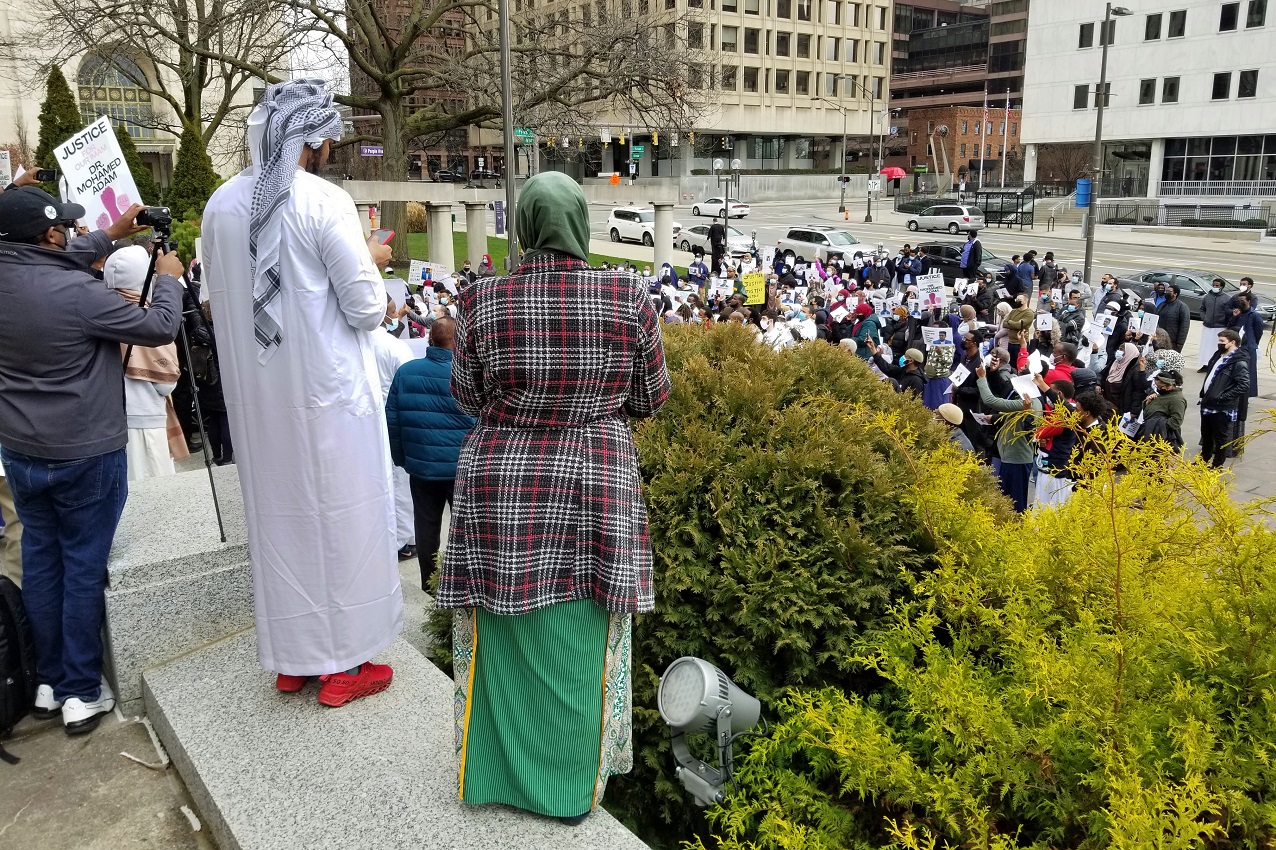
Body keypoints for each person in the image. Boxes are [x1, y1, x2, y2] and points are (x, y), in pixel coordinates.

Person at [442, 171, 671, 824]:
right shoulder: (627, 293)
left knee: (502, 642)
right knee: (582, 640)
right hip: (593, 488)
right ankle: (570, 793)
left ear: (525, 226)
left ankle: (496, 776)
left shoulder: (483, 298)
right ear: (579, 223)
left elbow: (465, 396)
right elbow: (651, 397)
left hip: (501, 493)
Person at [201, 79, 401, 707]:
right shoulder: (322, 202)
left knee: (281, 522)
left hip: (260, 403)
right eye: (327, 143)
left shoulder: (219, 207)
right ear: (308, 140)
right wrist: (371, 257)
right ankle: (346, 662)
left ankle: (294, 658)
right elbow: (366, 307)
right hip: (329, 397)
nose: (330, 153)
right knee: (343, 522)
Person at [0, 186, 182, 733]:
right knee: (82, 566)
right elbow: (159, 327)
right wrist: (168, 276)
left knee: (42, 560)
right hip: (85, 451)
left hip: (22, 451)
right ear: (50, 234)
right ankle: (82, 689)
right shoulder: (81, 294)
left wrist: (112, 233)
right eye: (70, 230)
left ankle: (49, 682)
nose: (78, 236)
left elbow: (42, 269)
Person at [104, 245, 187, 482]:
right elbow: (166, 384)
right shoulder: (144, 318)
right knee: (155, 497)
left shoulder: (104, 310)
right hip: (145, 421)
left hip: (112, 421)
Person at [975, 360, 1042, 512]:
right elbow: (1012, 415)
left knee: (1014, 503)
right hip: (1012, 458)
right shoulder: (1026, 403)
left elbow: (990, 400)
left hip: (1016, 461)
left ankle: (1015, 531)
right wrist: (993, 418)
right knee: (1007, 499)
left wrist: (982, 378)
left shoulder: (1027, 403)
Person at [1199, 329, 1250, 468]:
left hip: (1221, 407)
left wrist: (1223, 397)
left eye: (1222, 341)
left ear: (1232, 342)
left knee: (1220, 438)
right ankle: (1203, 460)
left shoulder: (1238, 362)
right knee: (1206, 435)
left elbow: (1244, 385)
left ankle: (1217, 465)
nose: (1219, 344)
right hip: (1208, 402)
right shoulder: (1219, 355)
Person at [1227, 292, 1263, 430]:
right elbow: (1230, 327)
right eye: (1238, 300)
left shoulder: (1254, 315)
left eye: (1242, 300)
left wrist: (1252, 343)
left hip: (1248, 347)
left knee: (1248, 373)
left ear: (1248, 301)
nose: (1239, 302)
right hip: (1237, 346)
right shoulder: (1238, 313)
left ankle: (1246, 396)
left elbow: (1258, 331)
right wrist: (1233, 317)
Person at [1138, 369, 1186, 451]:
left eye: (1160, 387)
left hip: (1162, 439)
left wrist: (1156, 425)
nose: (1158, 389)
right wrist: (1148, 402)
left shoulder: (1177, 400)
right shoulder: (1163, 395)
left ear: (1169, 385)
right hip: (1150, 434)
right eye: (1157, 386)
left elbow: (1176, 421)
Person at [1198, 278, 1233, 372]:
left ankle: (1215, 365)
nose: (1215, 287)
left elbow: (1229, 312)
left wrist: (1225, 321)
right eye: (1214, 285)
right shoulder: (1207, 297)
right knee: (1205, 347)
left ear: (1221, 287)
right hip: (1207, 326)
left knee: (1216, 346)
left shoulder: (1227, 298)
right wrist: (1204, 318)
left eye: (1217, 285)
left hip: (1220, 327)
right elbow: (1202, 309)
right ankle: (1205, 364)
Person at [1155, 284, 1191, 353]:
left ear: (1175, 294)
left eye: (1169, 291)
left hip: (1172, 342)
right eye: (1167, 291)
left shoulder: (1182, 307)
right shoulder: (1161, 305)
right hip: (1159, 340)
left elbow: (1184, 326)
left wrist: (1180, 344)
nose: (1167, 293)